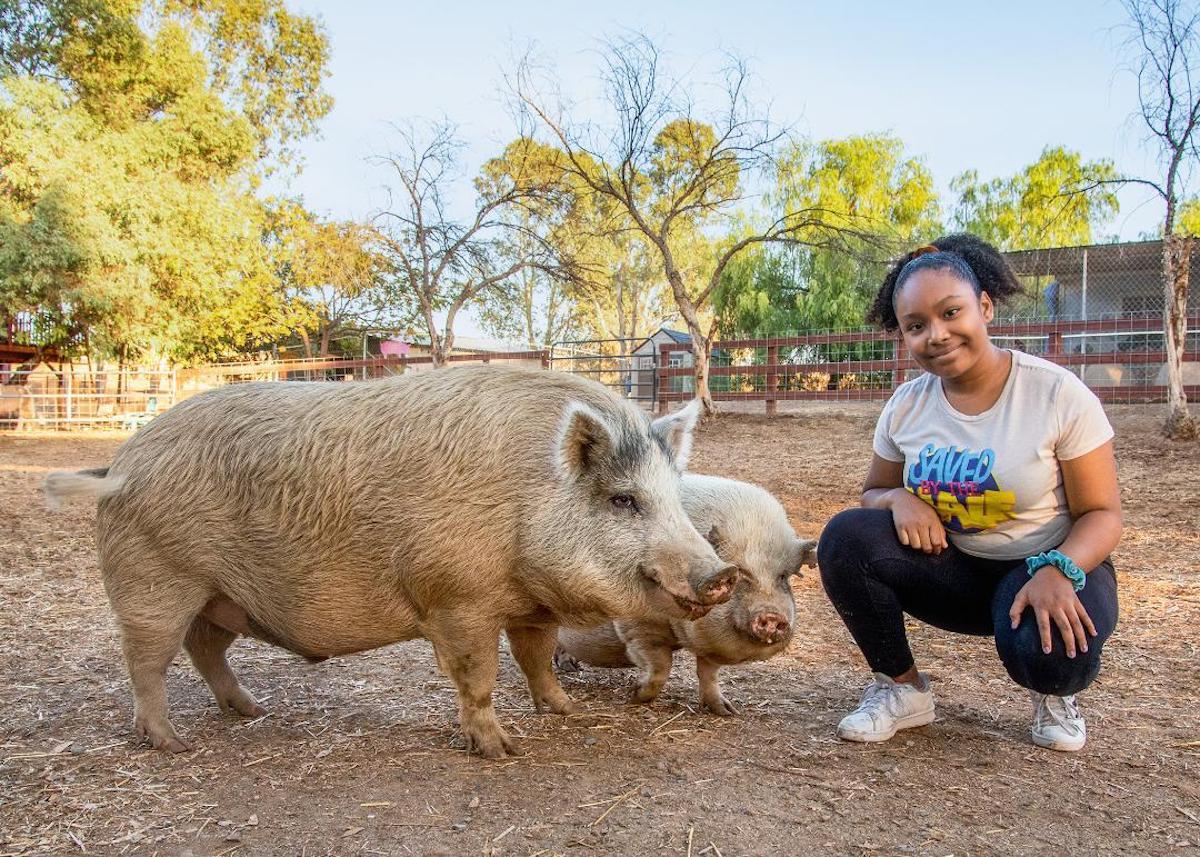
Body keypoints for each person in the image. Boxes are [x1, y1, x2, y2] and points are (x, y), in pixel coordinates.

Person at [817, 234, 1121, 752]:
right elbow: (874, 490)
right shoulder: (906, 406)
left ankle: (1054, 695)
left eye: (951, 312)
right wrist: (898, 499)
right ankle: (901, 688)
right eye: (916, 326)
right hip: (953, 572)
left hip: (1046, 568)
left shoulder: (1055, 393)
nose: (936, 335)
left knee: (1051, 656)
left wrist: (1060, 568)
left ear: (983, 307)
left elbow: (1103, 513)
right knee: (845, 538)